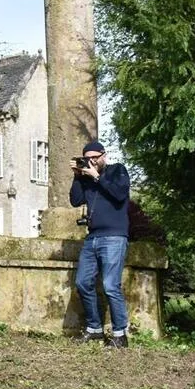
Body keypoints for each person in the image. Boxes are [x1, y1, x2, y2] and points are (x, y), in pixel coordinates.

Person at [70, 140, 131, 348]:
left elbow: (119, 194)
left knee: (110, 285)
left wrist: (97, 177)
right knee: (82, 282)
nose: (92, 162)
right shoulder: (86, 178)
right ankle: (94, 329)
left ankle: (120, 335)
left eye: (95, 158)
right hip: (93, 237)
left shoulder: (117, 171)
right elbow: (75, 200)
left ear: (104, 156)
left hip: (114, 236)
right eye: (88, 159)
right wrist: (78, 176)